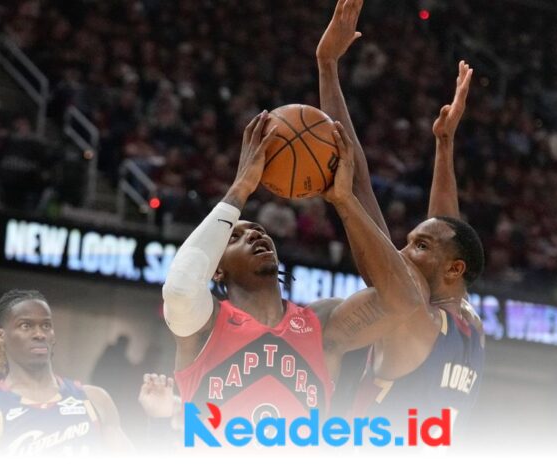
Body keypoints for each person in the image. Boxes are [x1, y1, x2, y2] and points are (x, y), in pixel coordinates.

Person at [161, 111, 432, 428]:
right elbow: (180, 287)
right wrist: (240, 188)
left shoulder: (320, 325)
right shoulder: (204, 325)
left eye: (260, 231)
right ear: (216, 271)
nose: (254, 234)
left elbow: (407, 299)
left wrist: (345, 201)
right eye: (234, 236)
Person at [316, 0, 485, 435]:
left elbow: (358, 182)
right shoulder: (466, 319)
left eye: (419, 246)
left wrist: (327, 65)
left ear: (454, 268)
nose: (404, 252)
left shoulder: (414, 315)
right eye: (409, 242)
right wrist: (444, 146)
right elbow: (450, 230)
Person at [0, 290, 132, 455]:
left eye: (46, 325)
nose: (39, 334)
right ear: (1, 336)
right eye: (25, 326)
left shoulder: (94, 400)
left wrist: (159, 417)